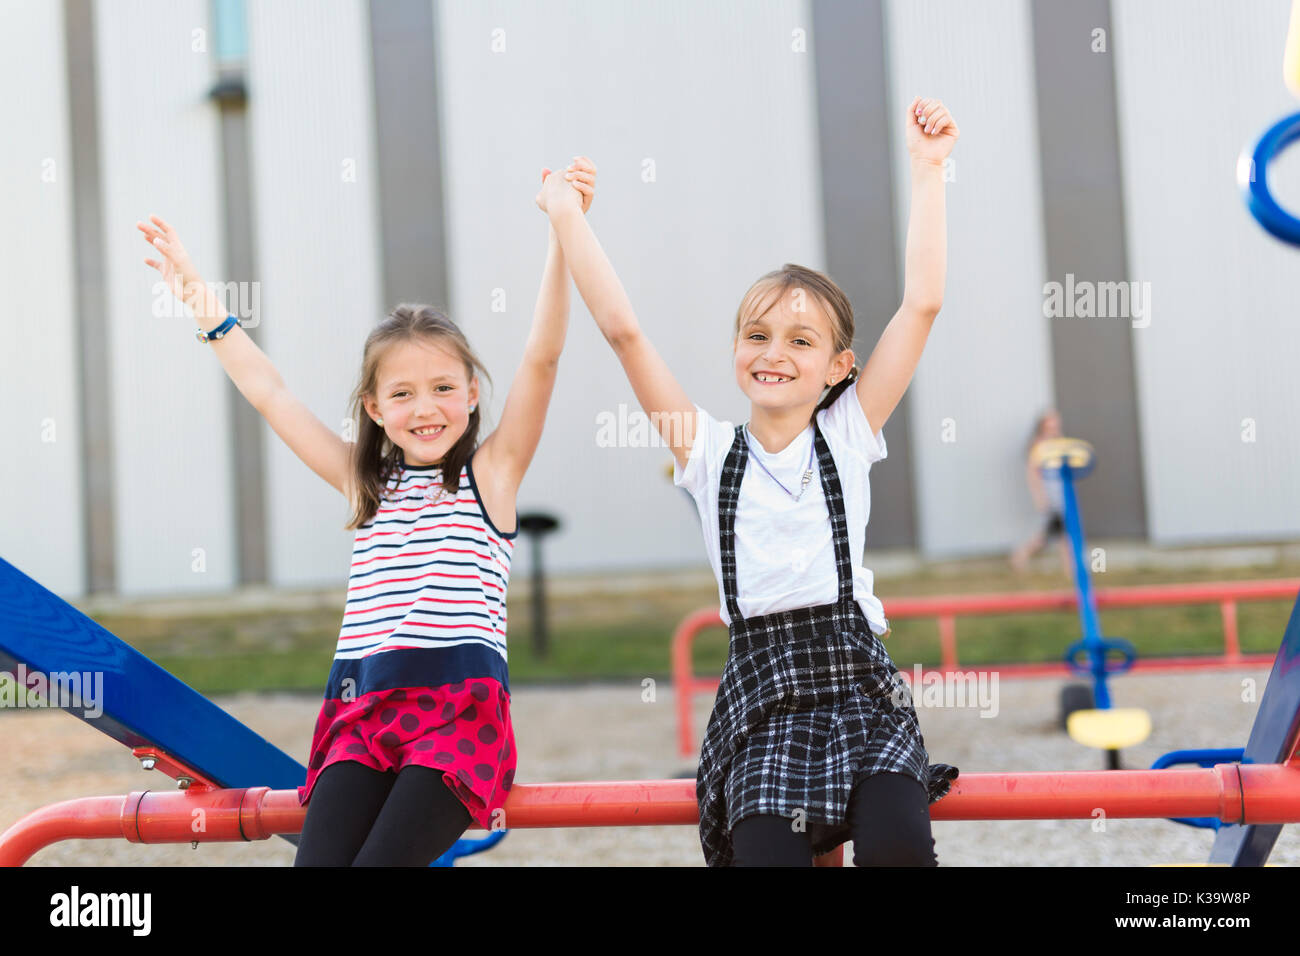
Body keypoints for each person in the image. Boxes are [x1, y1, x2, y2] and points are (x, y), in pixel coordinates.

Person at [137, 158, 596, 865]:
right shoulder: (366, 481)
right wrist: (203, 302)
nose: (425, 407)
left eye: (443, 386)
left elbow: (542, 358)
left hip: (455, 715)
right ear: (376, 409)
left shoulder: (489, 475)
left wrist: (563, 231)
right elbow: (272, 395)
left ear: (473, 393)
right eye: (403, 394)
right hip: (362, 712)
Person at [540, 98, 960, 866]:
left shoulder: (848, 432)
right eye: (757, 335)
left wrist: (929, 171)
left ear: (838, 368)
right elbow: (624, 332)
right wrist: (569, 217)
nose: (774, 352)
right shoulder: (706, 450)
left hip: (855, 679)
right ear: (735, 347)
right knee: (767, 853)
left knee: (901, 846)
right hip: (763, 694)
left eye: (801, 340)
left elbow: (922, 305)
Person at [1009, 408, 1074, 579]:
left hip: (1061, 493)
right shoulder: (1039, 445)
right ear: (1043, 425)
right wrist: (1039, 497)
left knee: (1056, 532)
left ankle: (1021, 556)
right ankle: (1021, 556)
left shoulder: (1059, 442)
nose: (1054, 426)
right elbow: (1032, 474)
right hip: (1049, 494)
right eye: (1050, 423)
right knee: (1059, 532)